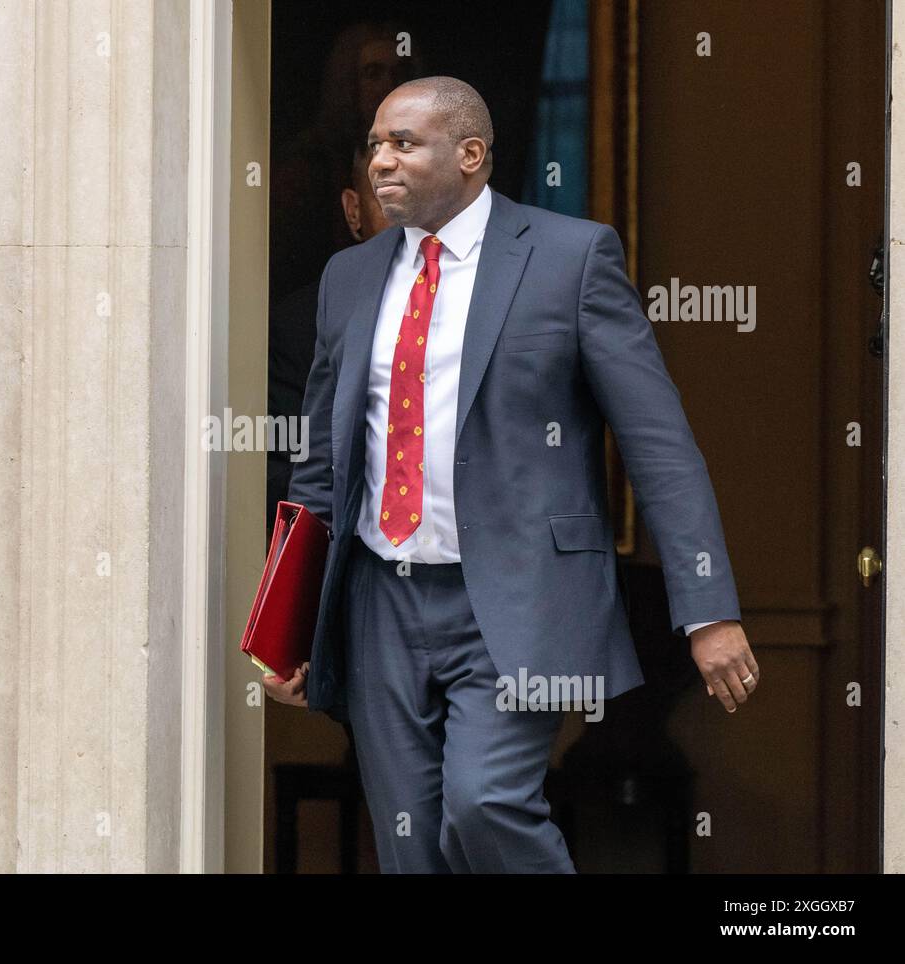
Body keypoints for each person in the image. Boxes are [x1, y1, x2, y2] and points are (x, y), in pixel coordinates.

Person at [262, 76, 759, 874]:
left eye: (404, 143)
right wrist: (289, 622)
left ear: (471, 155)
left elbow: (658, 443)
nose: (380, 160)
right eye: (375, 144)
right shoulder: (348, 279)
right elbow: (320, 466)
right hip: (377, 602)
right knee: (407, 844)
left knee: (484, 805)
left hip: (516, 596)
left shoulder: (571, 258)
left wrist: (708, 612)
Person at [267, 143, 393, 537]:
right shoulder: (300, 323)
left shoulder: (485, 298)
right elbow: (289, 462)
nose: (409, 217)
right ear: (353, 211)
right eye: (386, 196)